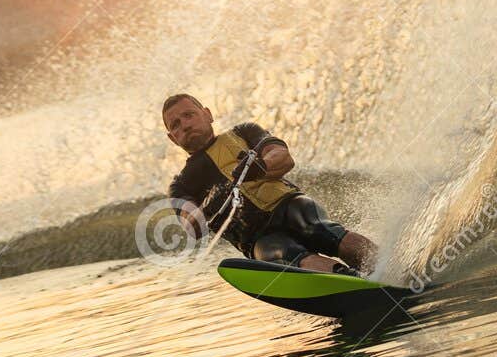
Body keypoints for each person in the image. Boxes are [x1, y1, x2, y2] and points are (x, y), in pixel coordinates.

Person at [161, 93, 377, 274]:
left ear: (207, 114)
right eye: (176, 125)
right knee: (279, 252)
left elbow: (283, 157)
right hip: (257, 238)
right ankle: (347, 280)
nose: (186, 126)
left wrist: (259, 166)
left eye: (189, 115)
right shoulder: (180, 185)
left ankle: (385, 264)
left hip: (289, 206)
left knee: (316, 228)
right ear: (172, 138)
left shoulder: (243, 132)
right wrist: (208, 205)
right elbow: (191, 225)